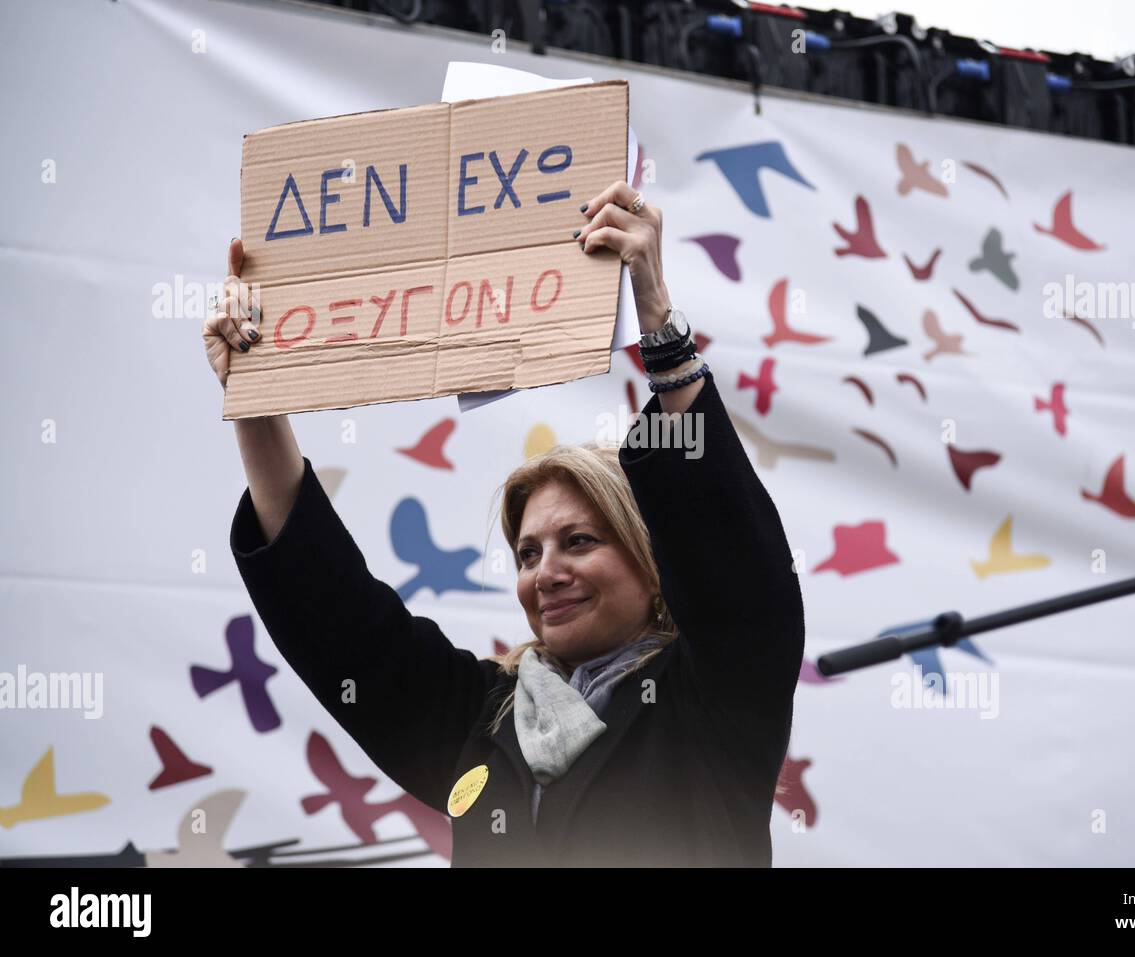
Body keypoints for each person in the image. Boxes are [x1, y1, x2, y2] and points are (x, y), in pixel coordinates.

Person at [204, 181, 806, 866]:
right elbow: (338, 622)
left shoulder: (713, 699)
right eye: (526, 553)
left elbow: (738, 575)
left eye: (579, 540)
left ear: (654, 563)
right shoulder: (486, 720)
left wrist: (659, 324)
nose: (546, 572)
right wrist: (253, 394)